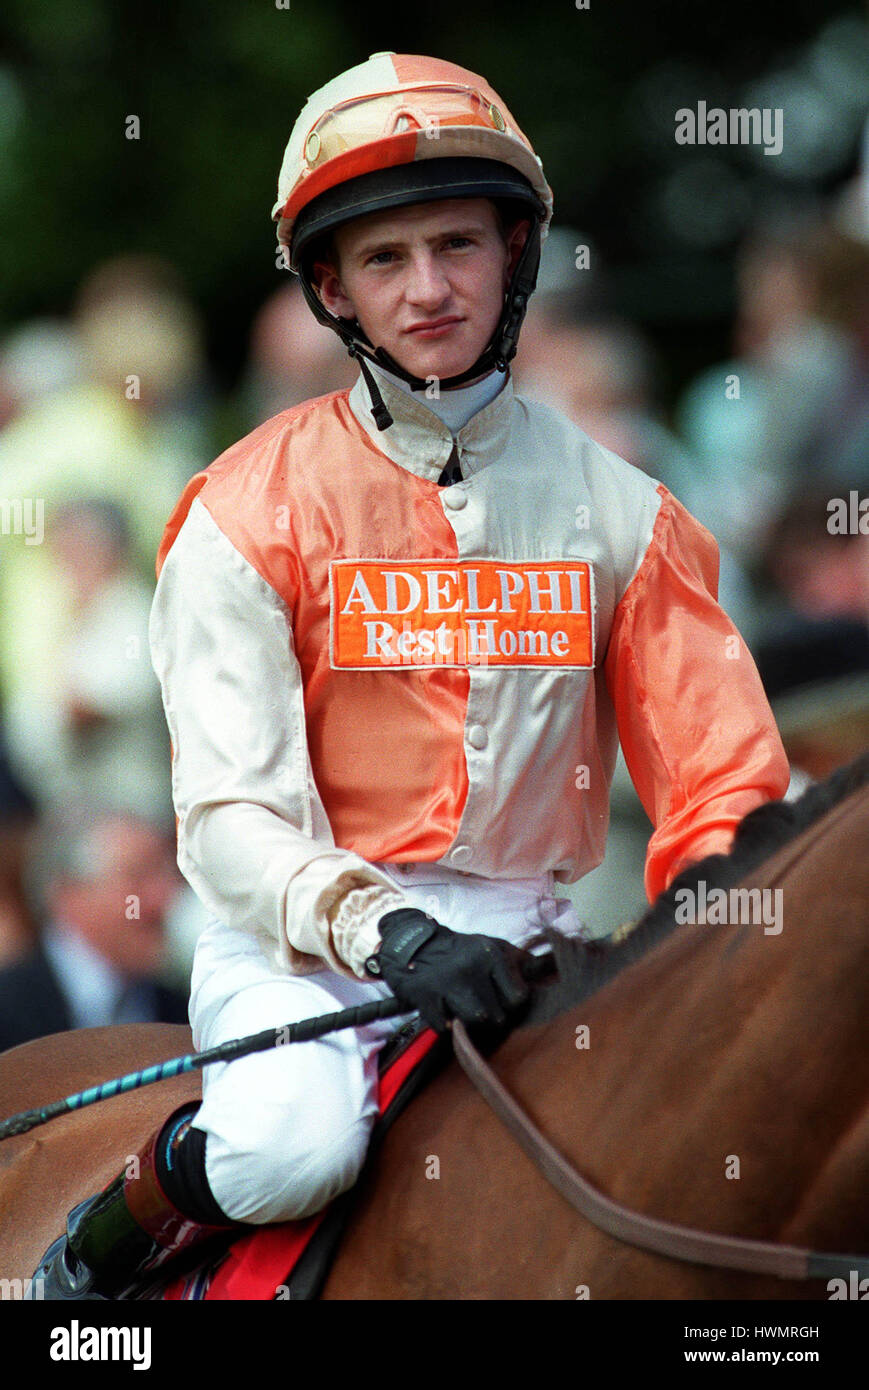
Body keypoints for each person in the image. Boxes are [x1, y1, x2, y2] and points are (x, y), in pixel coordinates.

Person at [32, 52, 789, 1300]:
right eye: (385, 259)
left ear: (515, 253)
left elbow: (725, 789)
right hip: (298, 944)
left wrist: (715, 971)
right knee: (290, 1148)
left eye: (456, 243)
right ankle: (93, 1255)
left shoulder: (627, 512)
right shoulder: (240, 509)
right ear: (328, 286)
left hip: (532, 934)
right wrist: (384, 929)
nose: (428, 288)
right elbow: (228, 823)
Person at [0, 807, 188, 1051]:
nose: (164, 897)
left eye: (168, 876)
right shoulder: (7, 1012)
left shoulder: (183, 1014)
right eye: (138, 878)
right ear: (68, 894)